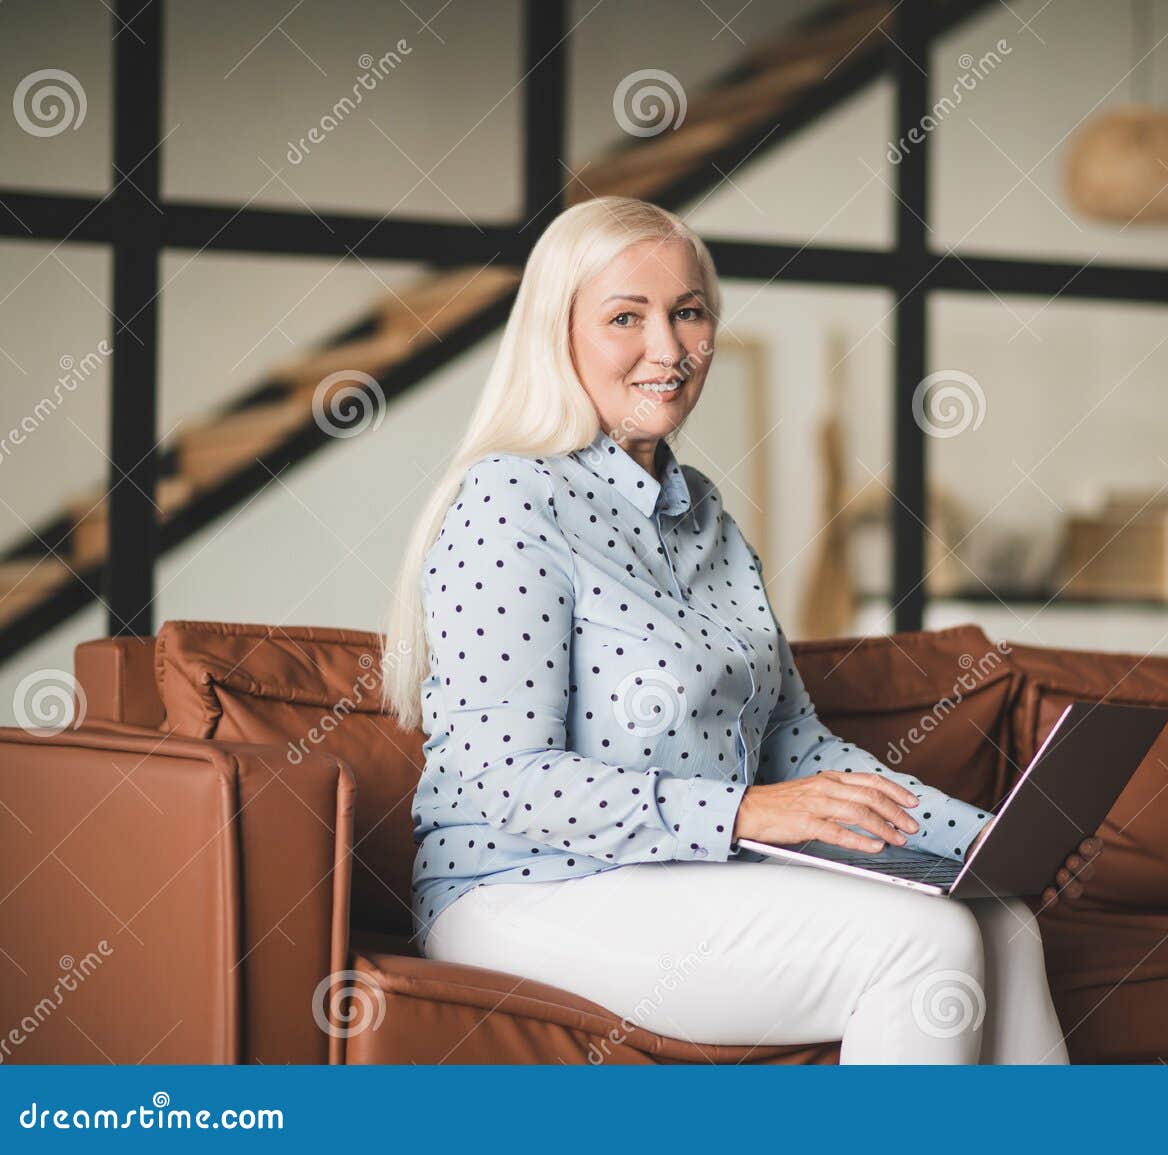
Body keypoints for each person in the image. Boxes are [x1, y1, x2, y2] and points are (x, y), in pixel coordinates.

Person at [380, 196, 1101, 1064]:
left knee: (1003, 920)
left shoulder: (708, 520)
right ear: (555, 335)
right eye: (624, 317)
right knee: (922, 945)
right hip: (524, 890)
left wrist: (983, 837)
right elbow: (508, 778)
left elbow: (797, 745)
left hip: (685, 878)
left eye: (688, 312)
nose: (668, 348)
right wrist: (746, 811)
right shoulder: (509, 502)